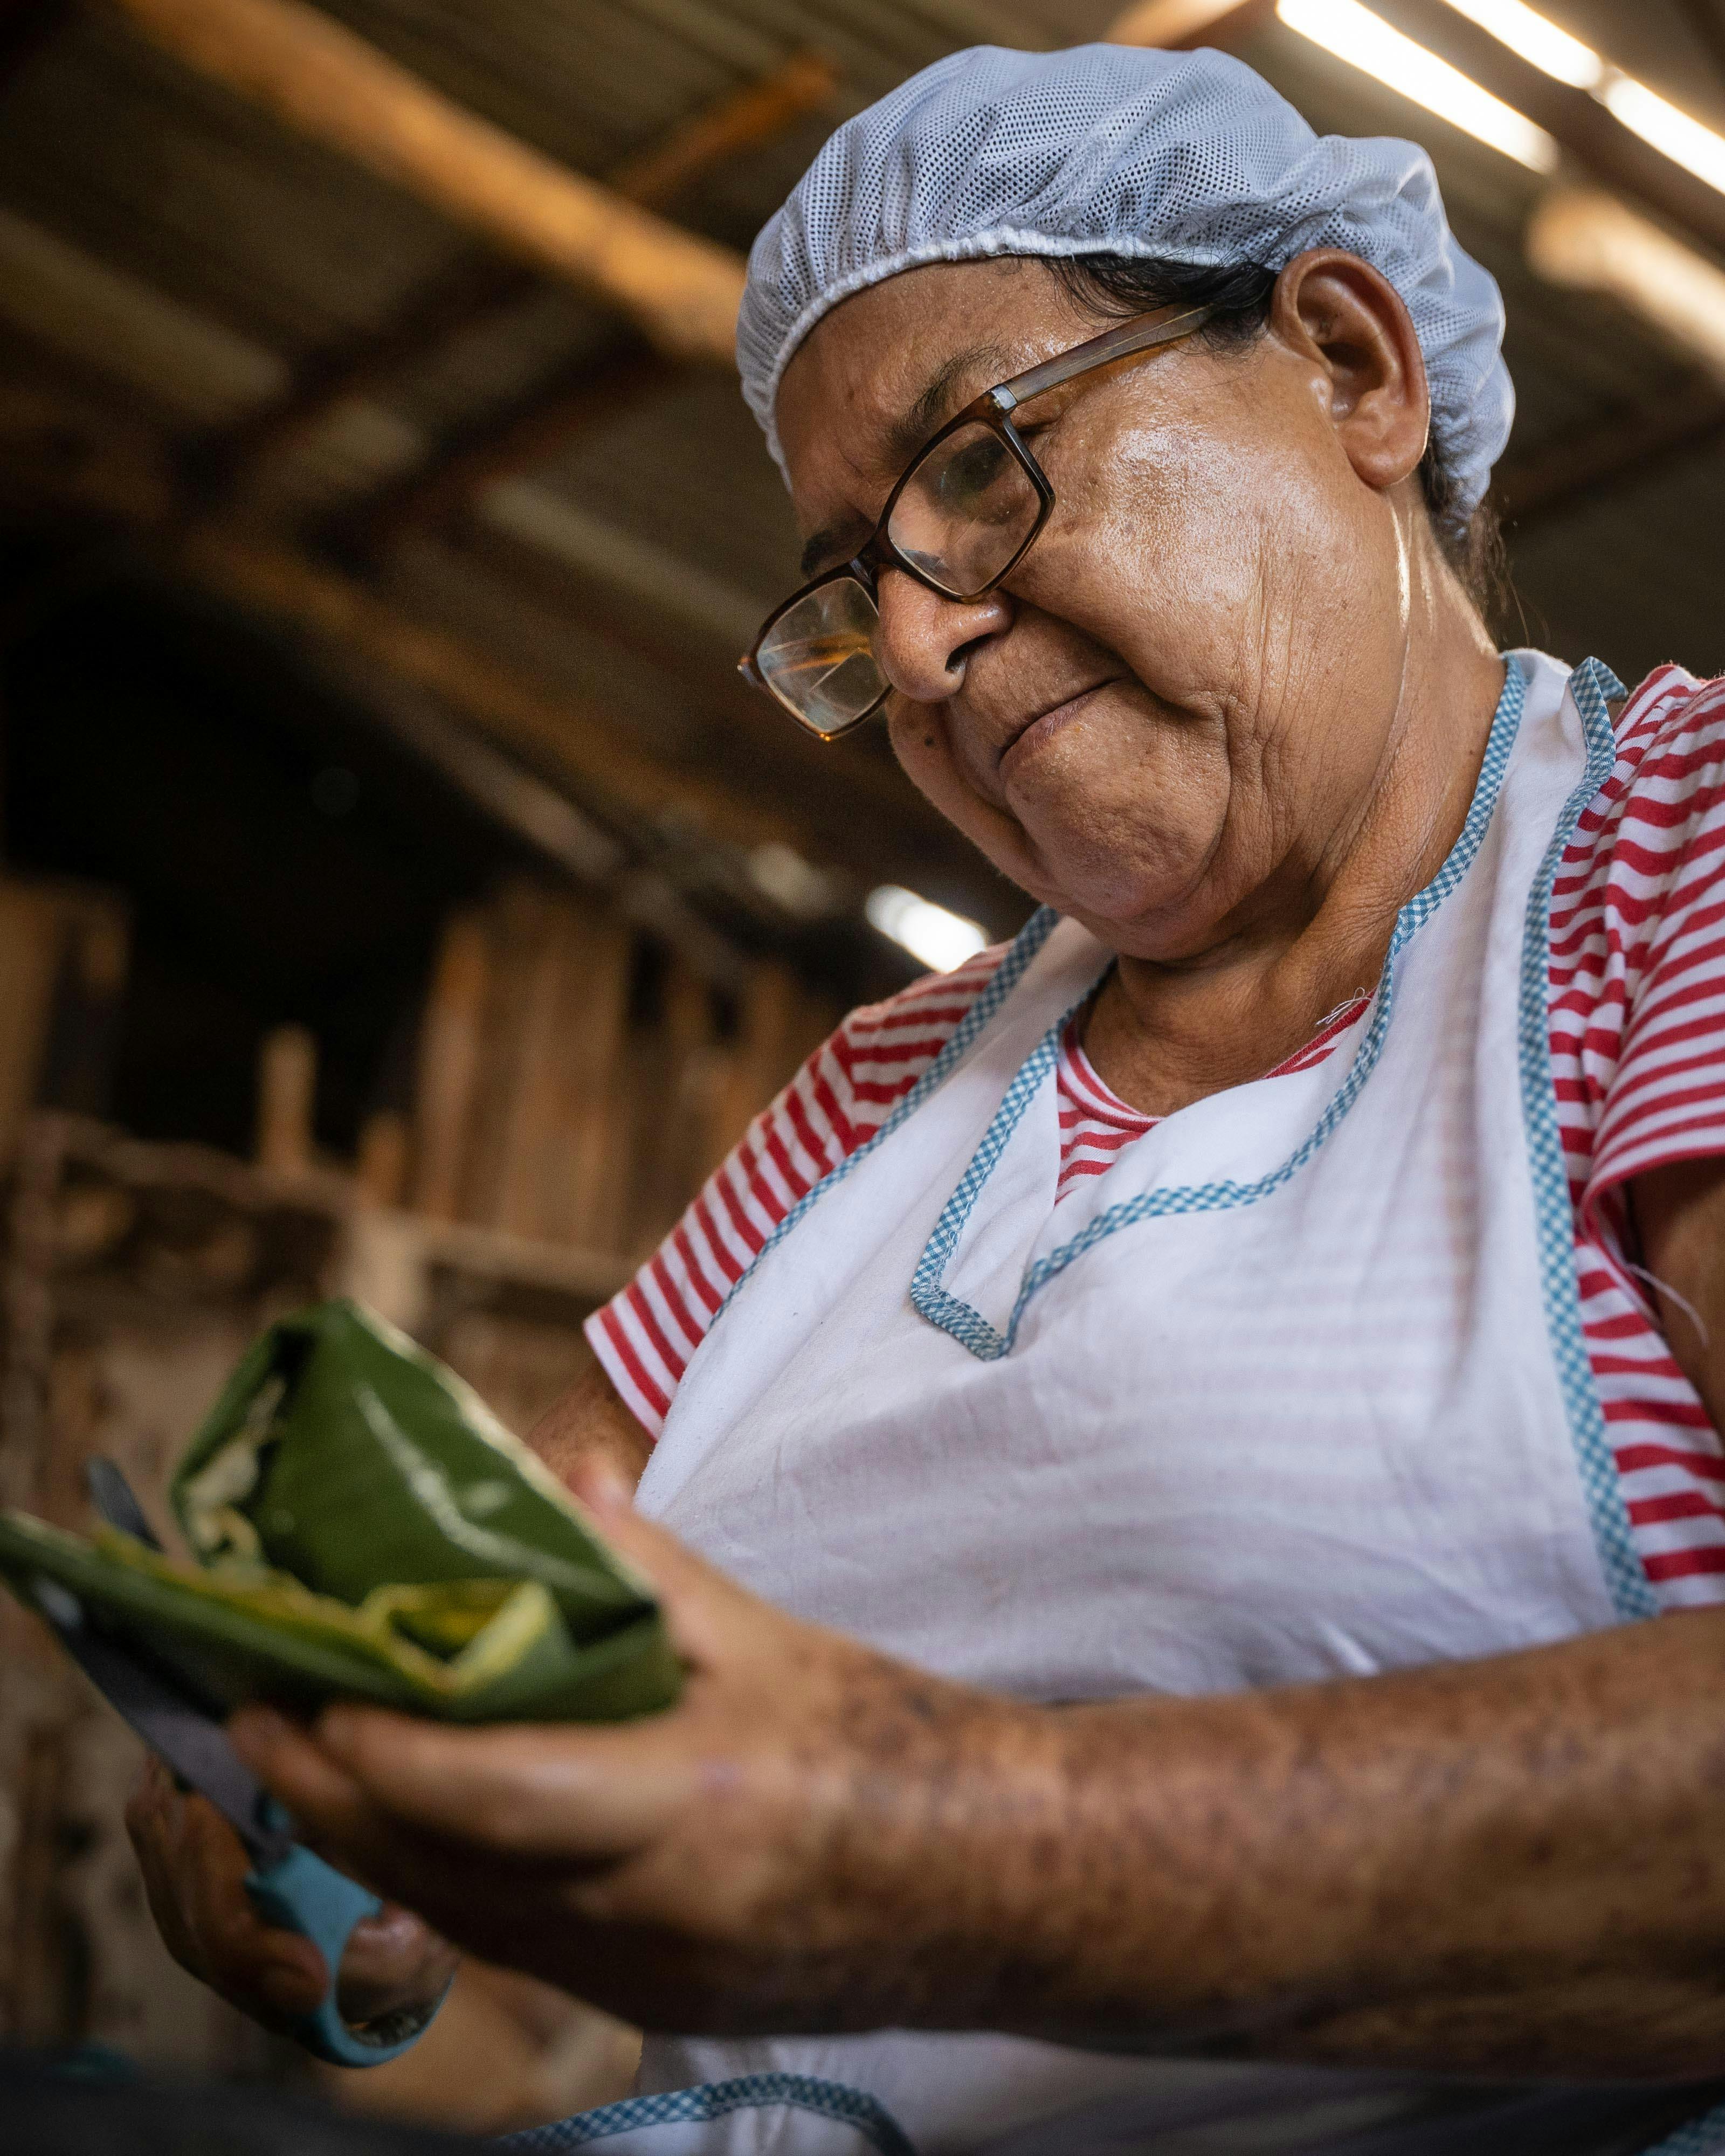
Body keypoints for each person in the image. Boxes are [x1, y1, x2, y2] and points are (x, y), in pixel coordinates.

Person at [127, 42, 1725, 2156]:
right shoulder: (881, 1086)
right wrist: (329, 1780)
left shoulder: (1663, 858)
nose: (917, 643)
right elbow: (499, 1590)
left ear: (1347, 361)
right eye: (846, 586)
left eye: (978, 462)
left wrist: (932, 1847)